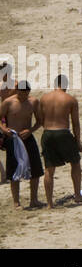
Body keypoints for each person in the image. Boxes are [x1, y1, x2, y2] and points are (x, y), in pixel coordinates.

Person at [37, 76, 82, 208]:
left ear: (54, 84)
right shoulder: (70, 99)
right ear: (66, 85)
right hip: (63, 132)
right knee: (75, 163)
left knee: (49, 169)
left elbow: (40, 119)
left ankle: (50, 203)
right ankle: (78, 195)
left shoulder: (44, 98)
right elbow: (75, 123)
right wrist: (78, 141)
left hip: (48, 133)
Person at [2, 80, 44, 208]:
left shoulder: (33, 102)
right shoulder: (9, 102)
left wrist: (30, 130)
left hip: (27, 137)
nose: (23, 96)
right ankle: (16, 202)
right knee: (14, 170)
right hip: (13, 138)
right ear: (17, 91)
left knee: (35, 168)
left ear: (29, 92)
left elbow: (39, 121)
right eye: (21, 93)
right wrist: (4, 130)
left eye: (26, 94)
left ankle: (34, 200)